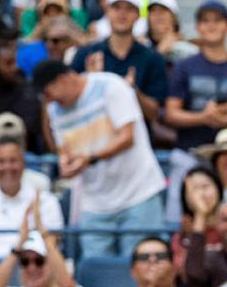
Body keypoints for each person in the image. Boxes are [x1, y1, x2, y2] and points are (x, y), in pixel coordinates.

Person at [35, 60, 166, 257]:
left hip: (138, 193)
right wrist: (67, 165)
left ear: (62, 80)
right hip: (94, 203)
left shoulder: (110, 86)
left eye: (48, 93)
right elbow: (65, 151)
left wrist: (89, 158)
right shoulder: (55, 110)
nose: (49, 101)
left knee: (142, 266)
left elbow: (127, 137)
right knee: (96, 272)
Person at [0, 126, 63, 259]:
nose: (7, 167)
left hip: (33, 269)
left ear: (24, 164)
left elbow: (53, 247)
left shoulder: (46, 201)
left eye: (13, 161)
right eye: (1, 162)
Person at [71, 0, 168, 123]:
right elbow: (69, 102)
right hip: (95, 133)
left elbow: (154, 113)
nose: (122, 14)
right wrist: (90, 81)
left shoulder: (152, 58)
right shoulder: (86, 54)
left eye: (129, 9)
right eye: (116, 8)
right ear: (107, 11)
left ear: (138, 14)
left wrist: (132, 92)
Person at [165, 0, 227, 152]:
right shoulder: (184, 65)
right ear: (197, 27)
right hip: (190, 151)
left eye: (217, 20)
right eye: (205, 21)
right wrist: (203, 117)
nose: (211, 26)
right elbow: (171, 114)